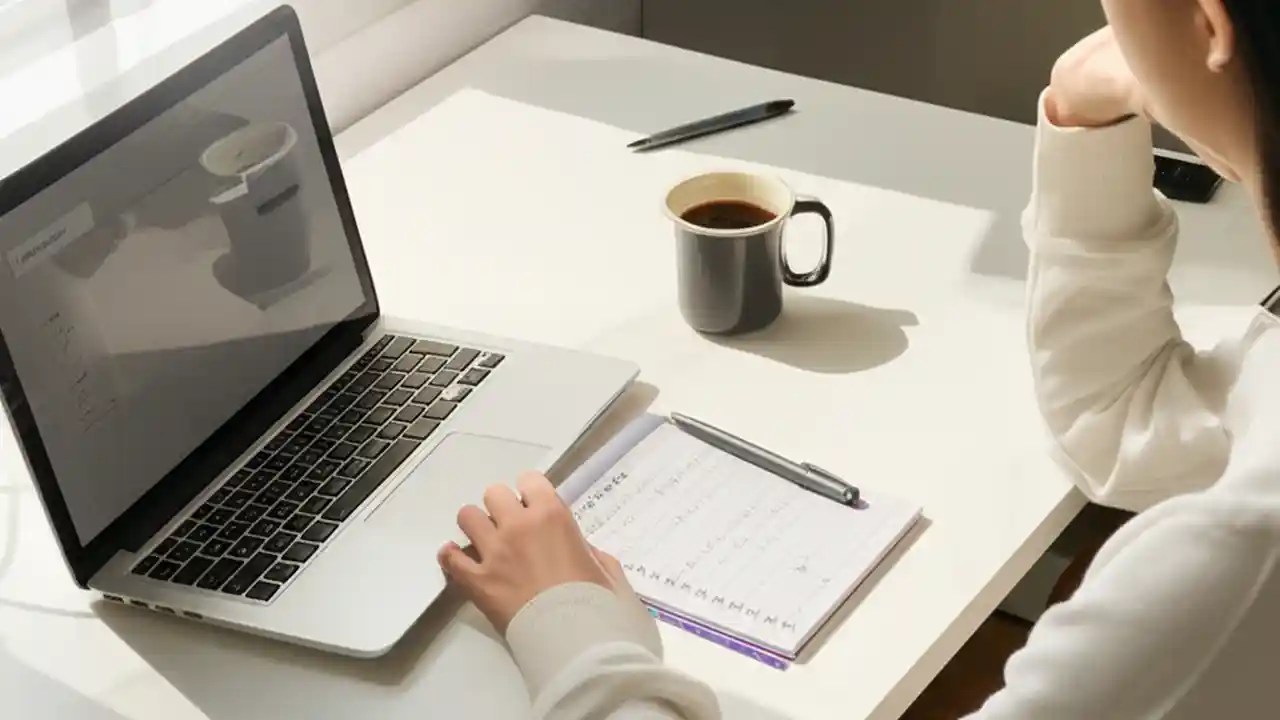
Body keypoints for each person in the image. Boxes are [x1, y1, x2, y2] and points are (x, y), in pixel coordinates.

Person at [438, 0, 1280, 717]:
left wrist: (577, 638)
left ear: (1209, 22)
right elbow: (1124, 423)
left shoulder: (1230, 563)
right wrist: (1084, 112)